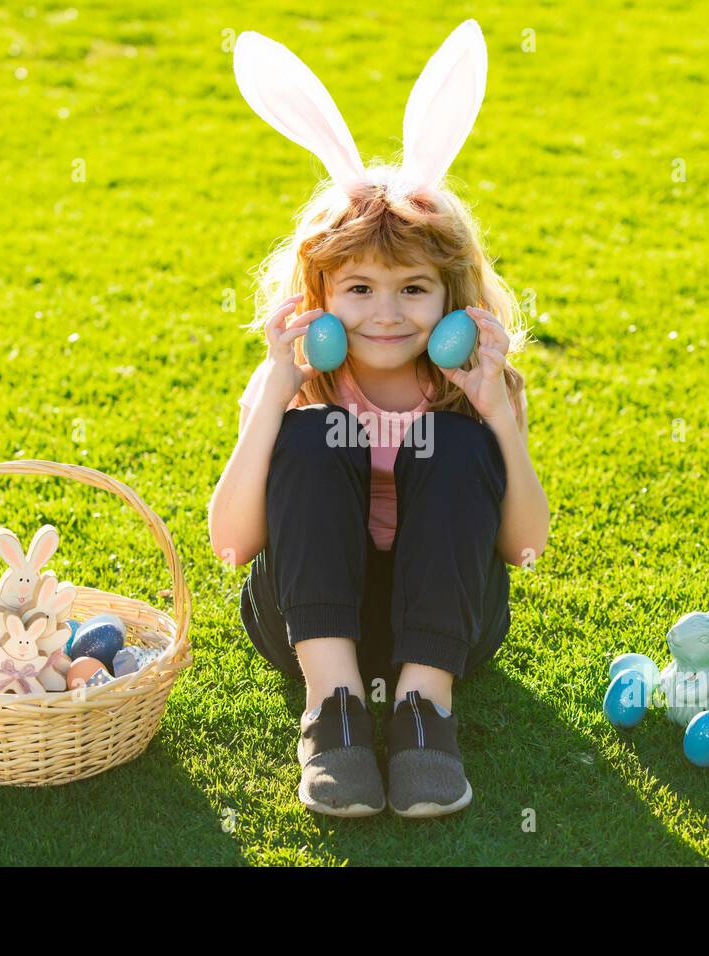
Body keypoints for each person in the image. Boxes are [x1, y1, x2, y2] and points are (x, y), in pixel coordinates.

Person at [208, 20, 549, 819]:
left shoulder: (473, 390)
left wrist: (500, 418)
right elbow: (230, 545)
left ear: (451, 296)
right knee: (318, 433)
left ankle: (424, 711)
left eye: (413, 290)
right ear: (318, 298)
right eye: (359, 290)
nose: (387, 315)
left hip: (446, 623)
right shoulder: (300, 387)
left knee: (454, 441)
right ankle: (335, 713)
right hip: (310, 618)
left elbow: (524, 549)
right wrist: (274, 390)